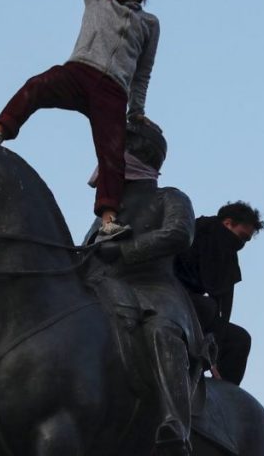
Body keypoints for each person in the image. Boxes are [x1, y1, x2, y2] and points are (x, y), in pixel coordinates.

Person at [0, 0, 159, 236]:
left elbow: (143, 71)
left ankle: (109, 220)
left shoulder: (149, 24)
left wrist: (136, 110)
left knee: (112, 155)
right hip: (80, 70)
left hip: (113, 90)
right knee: (37, 85)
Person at [86, 120, 201, 456]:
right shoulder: (107, 211)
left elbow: (179, 234)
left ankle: (175, 422)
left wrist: (125, 251)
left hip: (153, 288)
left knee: (162, 333)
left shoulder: (170, 197)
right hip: (103, 288)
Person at [174, 201, 264, 386]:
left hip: (200, 310)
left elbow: (225, 302)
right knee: (207, 308)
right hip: (172, 295)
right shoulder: (196, 231)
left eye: (245, 241)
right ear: (227, 223)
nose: (240, 244)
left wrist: (216, 341)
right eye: (241, 236)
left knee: (239, 339)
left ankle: (223, 392)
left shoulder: (228, 256)